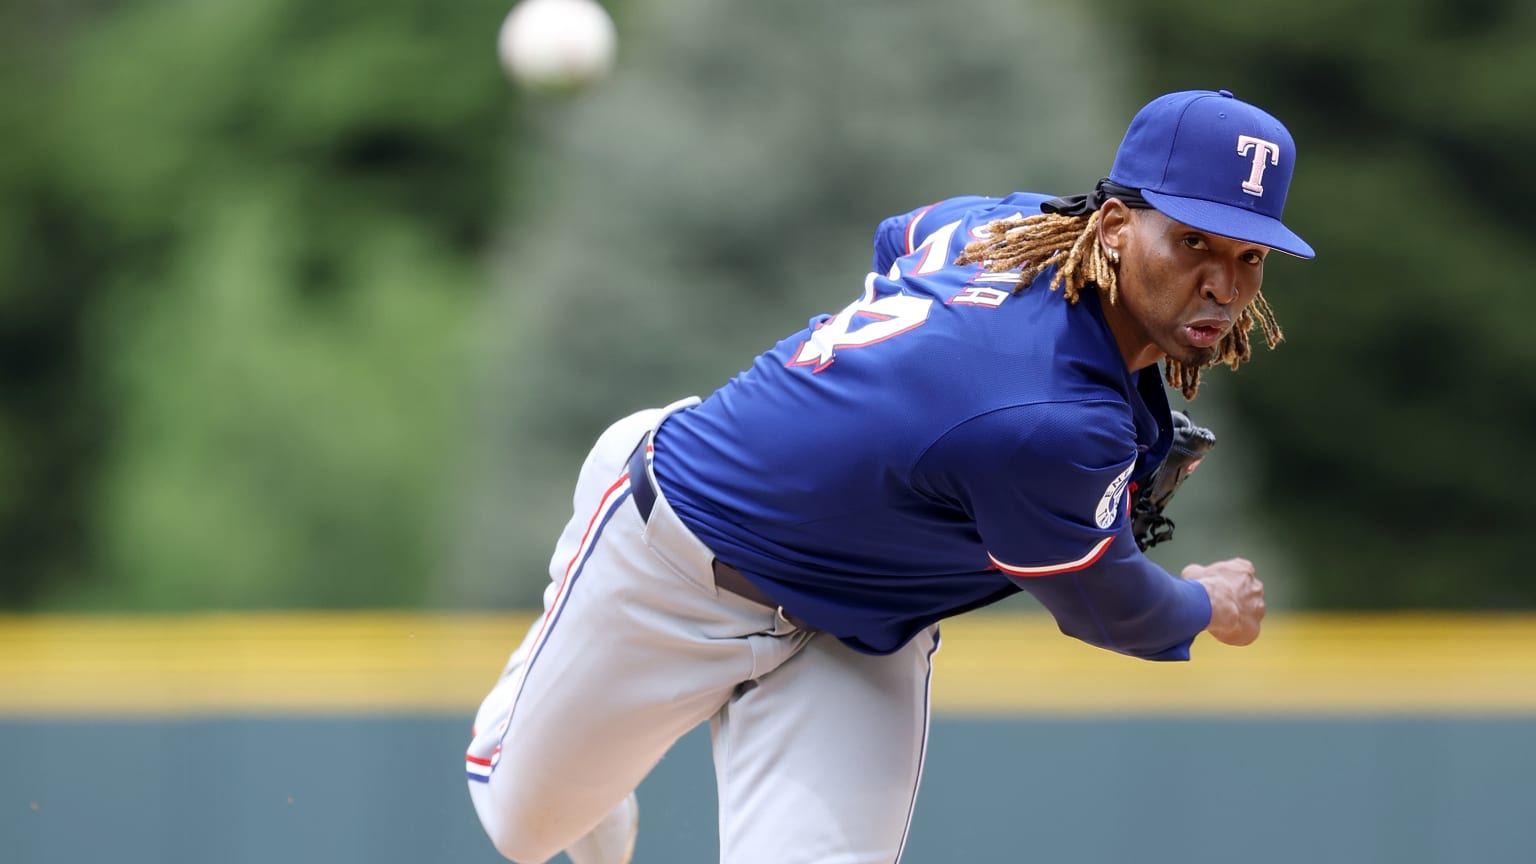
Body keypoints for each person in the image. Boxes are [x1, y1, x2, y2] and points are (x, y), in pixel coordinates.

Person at [465, 88, 1314, 864]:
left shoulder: (1010, 227)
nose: (1223, 284)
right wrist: (1210, 603)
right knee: (524, 831)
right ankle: (574, 745)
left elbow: (900, 236)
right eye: (1193, 240)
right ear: (1118, 225)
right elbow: (1111, 609)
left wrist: (886, 408)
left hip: (860, 632)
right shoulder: (1047, 418)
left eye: (1249, 257)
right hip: (676, 556)